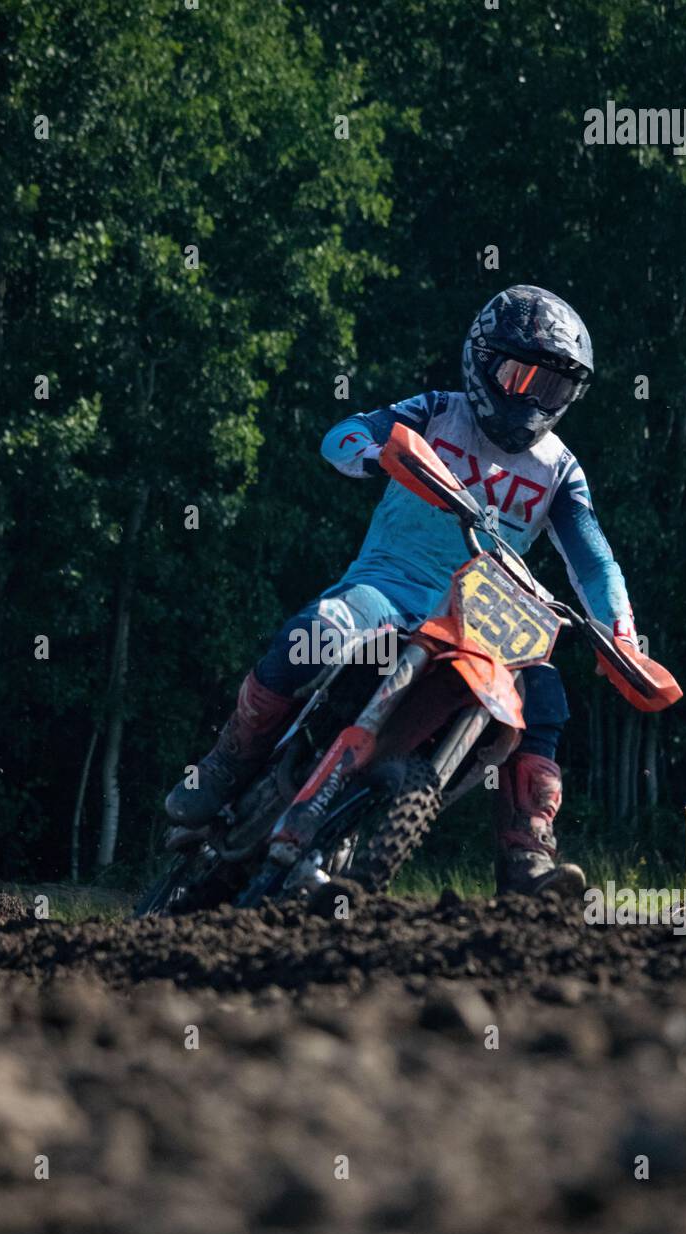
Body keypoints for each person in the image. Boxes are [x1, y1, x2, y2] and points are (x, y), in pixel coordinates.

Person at [166, 284, 639, 894]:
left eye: (552, 387)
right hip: (390, 586)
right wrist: (372, 455)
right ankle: (227, 763)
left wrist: (621, 632)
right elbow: (342, 435)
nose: (533, 397)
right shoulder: (440, 411)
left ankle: (526, 856)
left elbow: (593, 559)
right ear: (483, 359)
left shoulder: (558, 467)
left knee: (543, 694)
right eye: (521, 376)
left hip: (482, 614)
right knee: (317, 633)